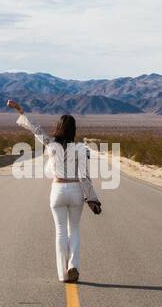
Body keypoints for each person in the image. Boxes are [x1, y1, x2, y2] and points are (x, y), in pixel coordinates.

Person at [7, 99, 101, 283]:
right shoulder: (80, 149)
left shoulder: (50, 144)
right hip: (75, 191)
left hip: (57, 190)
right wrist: (92, 198)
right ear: (74, 130)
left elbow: (35, 128)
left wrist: (20, 110)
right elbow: (85, 176)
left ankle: (63, 274)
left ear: (58, 127)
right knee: (74, 229)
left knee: (60, 231)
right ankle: (73, 265)